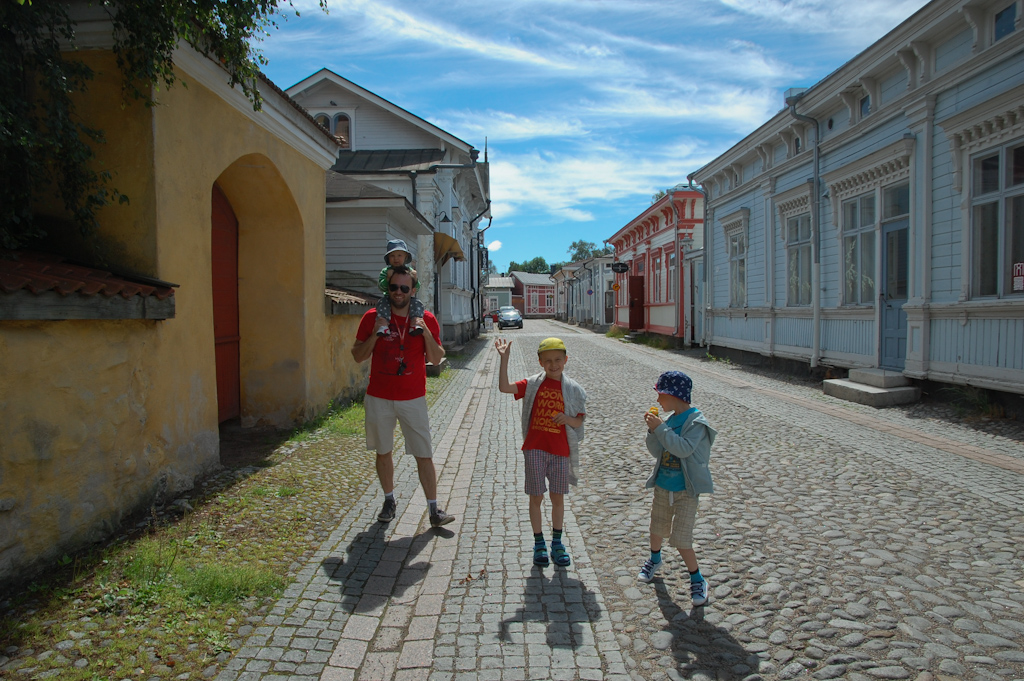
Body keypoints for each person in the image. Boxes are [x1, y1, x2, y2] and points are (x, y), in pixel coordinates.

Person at [352, 266, 454, 528]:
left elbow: (435, 358)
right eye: (393, 287)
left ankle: (434, 510)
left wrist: (427, 333)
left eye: (404, 288)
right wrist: (377, 332)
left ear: (413, 290)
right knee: (383, 451)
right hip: (379, 397)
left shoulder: (426, 318)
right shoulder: (373, 317)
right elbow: (358, 355)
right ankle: (389, 500)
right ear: (387, 288)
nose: (398, 293)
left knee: (423, 453)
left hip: (412, 398)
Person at [495, 337, 586, 567]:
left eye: (557, 360)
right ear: (540, 362)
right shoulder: (533, 383)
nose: (553, 365)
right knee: (536, 497)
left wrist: (567, 418)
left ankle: (557, 543)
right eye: (548, 361)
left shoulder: (573, 389)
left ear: (565, 360)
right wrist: (504, 359)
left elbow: (578, 423)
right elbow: (504, 387)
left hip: (560, 451)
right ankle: (538, 543)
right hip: (535, 448)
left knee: (557, 498)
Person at [637, 370, 716, 608]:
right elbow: (657, 451)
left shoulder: (696, 423)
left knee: (682, 540)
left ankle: (697, 579)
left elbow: (683, 449)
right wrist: (653, 431)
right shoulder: (669, 421)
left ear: (674, 396)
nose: (658, 401)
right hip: (663, 485)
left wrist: (661, 429)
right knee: (656, 528)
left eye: (661, 395)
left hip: (685, 491)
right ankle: (654, 559)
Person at [375, 239, 426, 337]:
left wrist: (415, 279)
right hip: (389, 298)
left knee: (417, 303)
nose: (396, 259)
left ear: (405, 257)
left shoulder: (410, 271)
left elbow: (417, 288)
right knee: (381, 304)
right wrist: (387, 279)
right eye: (392, 256)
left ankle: (415, 322)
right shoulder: (385, 271)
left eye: (399, 255)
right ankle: (383, 325)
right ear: (388, 258)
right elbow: (381, 287)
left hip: (406, 300)